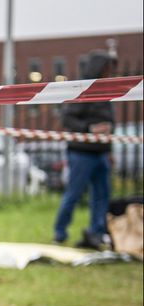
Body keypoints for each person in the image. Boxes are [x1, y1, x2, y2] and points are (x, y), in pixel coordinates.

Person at [53, 50, 118, 249]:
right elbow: (67, 118)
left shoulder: (105, 93)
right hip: (81, 152)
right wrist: (89, 129)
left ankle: (96, 232)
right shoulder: (83, 90)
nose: (110, 74)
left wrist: (109, 149)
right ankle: (60, 232)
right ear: (99, 69)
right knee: (74, 193)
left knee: (102, 195)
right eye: (107, 69)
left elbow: (108, 124)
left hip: (100, 153)